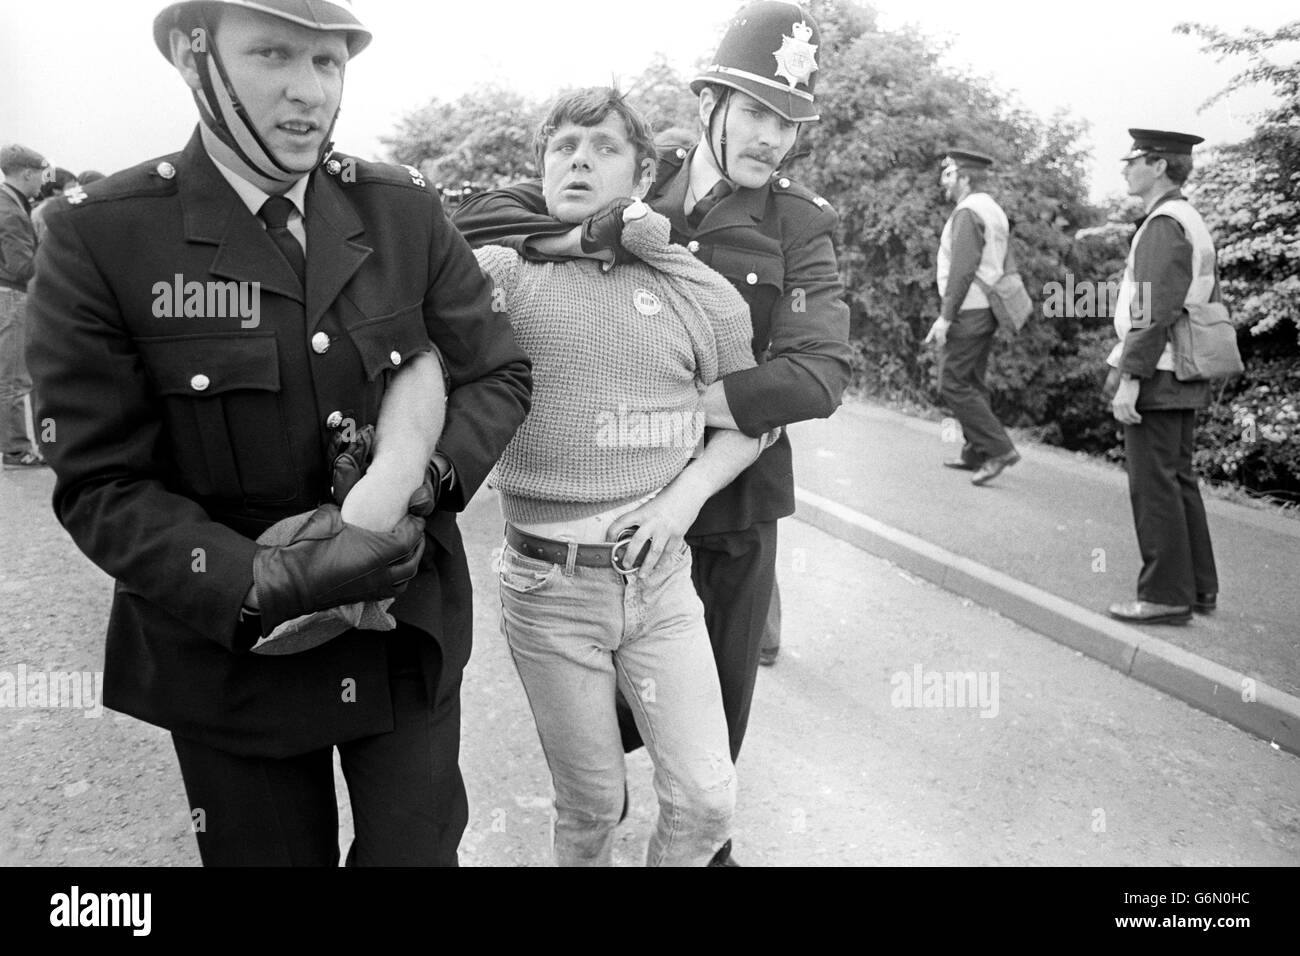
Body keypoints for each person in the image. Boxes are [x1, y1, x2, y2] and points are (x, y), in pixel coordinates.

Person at [26, 0, 531, 866]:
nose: (308, 92)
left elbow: (496, 371)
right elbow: (101, 481)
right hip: (234, 658)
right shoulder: (101, 238)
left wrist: (423, 481)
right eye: (271, 54)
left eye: (328, 63)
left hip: (399, 635)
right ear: (195, 59)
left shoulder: (401, 210)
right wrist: (257, 579)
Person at [454, 5, 852, 864]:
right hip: (592, 521)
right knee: (599, 764)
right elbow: (487, 221)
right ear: (709, 102)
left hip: (726, 510)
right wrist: (575, 236)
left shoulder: (802, 225)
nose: (772, 138)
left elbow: (817, 375)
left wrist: (659, 406)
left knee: (711, 763)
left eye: (789, 123)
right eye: (754, 110)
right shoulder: (636, 175)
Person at [479, 86, 775, 866]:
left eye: (604, 146)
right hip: (547, 593)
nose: (579, 157)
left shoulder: (697, 290)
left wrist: (681, 503)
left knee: (708, 801)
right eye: (563, 144)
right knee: (592, 808)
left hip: (661, 582)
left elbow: (749, 422)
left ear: (642, 175)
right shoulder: (497, 272)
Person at [1105, 129, 1219, 625]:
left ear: (1157, 165)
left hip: (1161, 369)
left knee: (1153, 485)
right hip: (1182, 367)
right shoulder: (1186, 219)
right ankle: (1196, 589)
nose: (1125, 168)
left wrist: (1131, 376)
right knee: (1177, 479)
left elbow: (1153, 310)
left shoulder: (1162, 224)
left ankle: (1164, 595)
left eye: (1132, 160)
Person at [925, 148, 1021, 486]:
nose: (944, 180)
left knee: (952, 382)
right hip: (987, 308)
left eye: (950, 174)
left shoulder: (967, 212)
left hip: (969, 309)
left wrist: (945, 317)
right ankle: (975, 451)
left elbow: (962, 271)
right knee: (973, 382)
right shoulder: (992, 209)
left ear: (965, 178)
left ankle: (998, 449)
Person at [1, 144, 49, 470]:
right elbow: (22, 266)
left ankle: (17, 447)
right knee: (15, 379)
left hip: (8, 293)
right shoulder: (10, 212)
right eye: (41, 175)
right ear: (27, 173)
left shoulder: (9, 204)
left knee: (13, 376)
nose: (43, 183)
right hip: (13, 295)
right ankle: (17, 450)